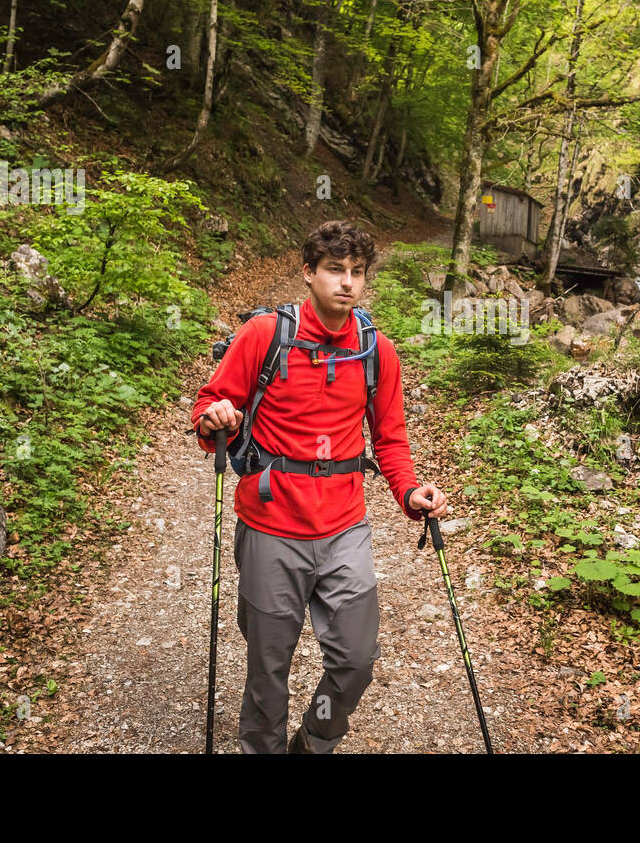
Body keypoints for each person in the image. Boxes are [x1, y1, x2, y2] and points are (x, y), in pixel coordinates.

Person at [192, 220, 449, 754]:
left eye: (357, 272)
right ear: (309, 273)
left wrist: (409, 493)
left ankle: (314, 739)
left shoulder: (378, 351)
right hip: (270, 526)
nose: (347, 283)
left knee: (356, 659)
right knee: (268, 667)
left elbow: (391, 442)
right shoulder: (265, 334)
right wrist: (216, 418)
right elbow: (211, 405)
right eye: (336, 270)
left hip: (344, 527)